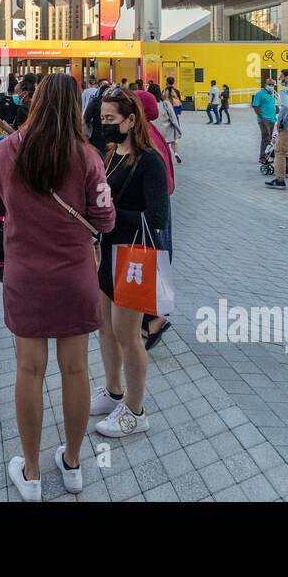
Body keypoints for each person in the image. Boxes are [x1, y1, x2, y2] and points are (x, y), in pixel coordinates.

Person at [92, 87, 169, 438]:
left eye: (111, 119)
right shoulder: (110, 153)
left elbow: (156, 218)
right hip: (106, 254)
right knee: (105, 327)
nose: (104, 124)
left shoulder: (149, 160)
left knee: (128, 335)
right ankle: (113, 391)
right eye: (102, 117)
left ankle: (136, 410)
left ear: (131, 120)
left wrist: (108, 214)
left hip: (134, 256)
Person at [133, 89, 176, 351]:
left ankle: (154, 317)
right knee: (156, 258)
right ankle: (151, 316)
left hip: (152, 209)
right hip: (158, 207)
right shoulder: (152, 132)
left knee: (153, 259)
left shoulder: (144, 137)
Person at [0, 73, 36, 140]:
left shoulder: (23, 109)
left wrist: (3, 125)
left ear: (25, 93)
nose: (14, 96)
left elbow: (21, 137)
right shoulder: (36, 105)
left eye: (16, 93)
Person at [252, 78, 278, 164]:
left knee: (270, 138)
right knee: (265, 137)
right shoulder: (259, 94)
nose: (271, 86)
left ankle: (267, 155)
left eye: (273, 85)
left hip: (272, 119)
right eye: (269, 84)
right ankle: (262, 157)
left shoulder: (271, 94)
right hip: (264, 120)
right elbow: (255, 106)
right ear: (265, 85)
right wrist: (262, 118)